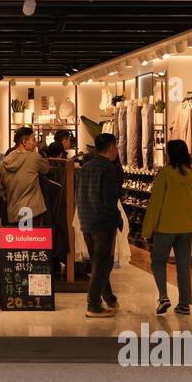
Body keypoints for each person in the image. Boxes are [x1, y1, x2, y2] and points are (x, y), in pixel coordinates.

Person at [142, 139, 192, 315]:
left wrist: (147, 230)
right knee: (183, 265)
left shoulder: (165, 173)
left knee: (158, 261)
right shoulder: (191, 173)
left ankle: (164, 296)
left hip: (166, 225)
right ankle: (184, 304)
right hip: (186, 226)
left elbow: (156, 203)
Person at [74, 133, 122, 316]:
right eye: (116, 147)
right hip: (103, 223)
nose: (117, 150)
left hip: (86, 221)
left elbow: (79, 195)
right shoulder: (108, 169)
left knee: (98, 263)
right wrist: (117, 219)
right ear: (110, 148)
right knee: (102, 264)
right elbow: (109, 200)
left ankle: (110, 298)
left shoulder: (85, 167)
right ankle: (93, 305)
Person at [0, 126, 52, 226]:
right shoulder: (34, 158)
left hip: (13, 212)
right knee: (31, 240)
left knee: (18, 240)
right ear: (24, 142)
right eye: (33, 140)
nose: (35, 143)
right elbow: (46, 169)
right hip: (33, 211)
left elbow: (0, 186)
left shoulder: (4, 163)